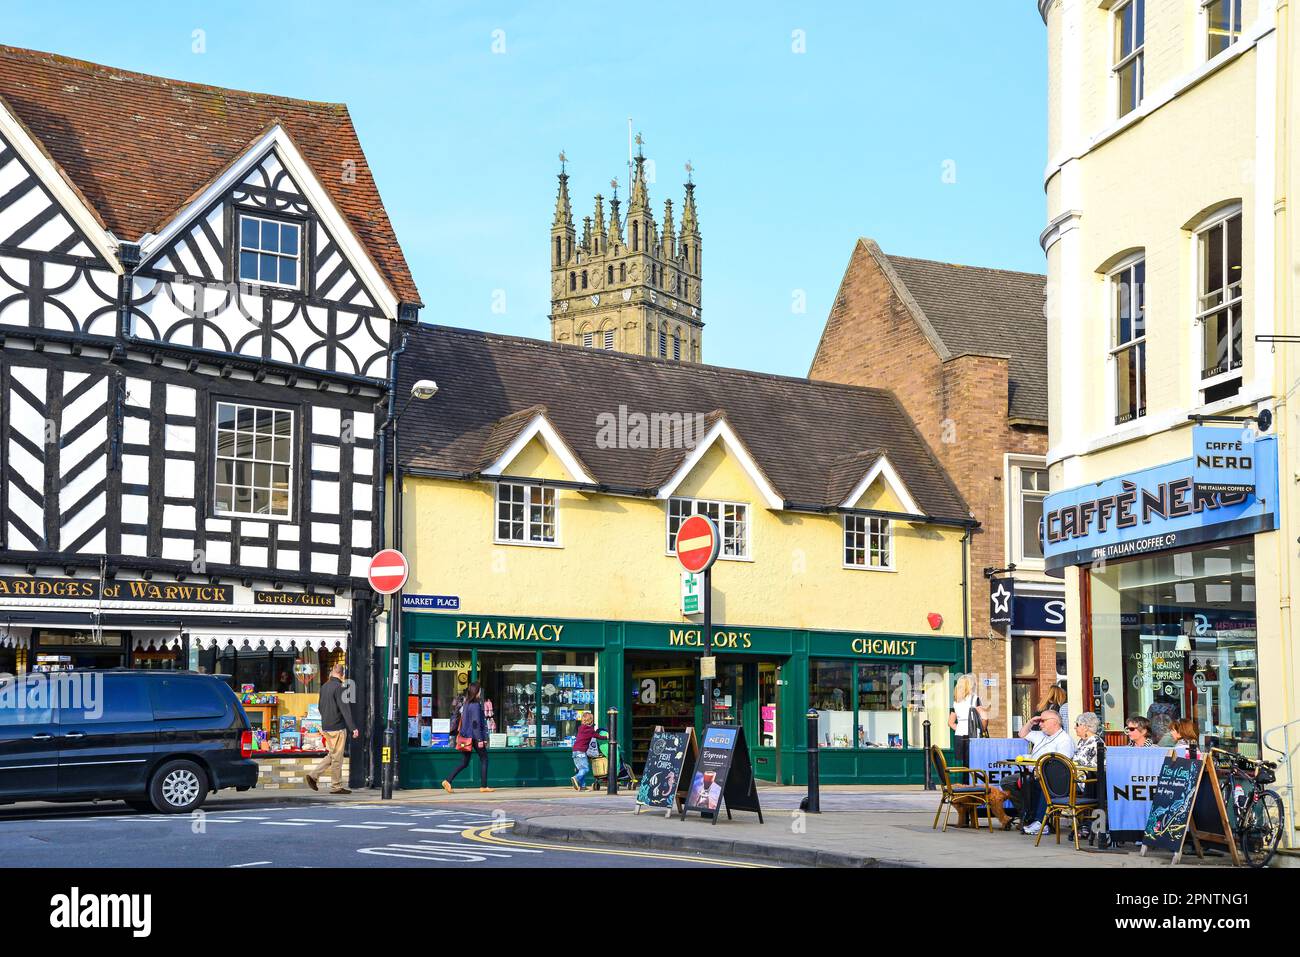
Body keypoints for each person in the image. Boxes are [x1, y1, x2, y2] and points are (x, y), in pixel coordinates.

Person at [1013, 708, 1076, 835]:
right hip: (1033, 773)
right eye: (1039, 721)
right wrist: (1031, 722)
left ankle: (1040, 821)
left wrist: (1040, 770)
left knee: (1039, 784)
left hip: (1052, 778)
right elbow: (1022, 733)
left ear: (1054, 722)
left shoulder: (1064, 740)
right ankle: (1028, 816)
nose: (1040, 724)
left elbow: (1061, 764)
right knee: (1008, 782)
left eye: (1043, 721)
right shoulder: (1041, 735)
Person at [305, 663, 358, 794]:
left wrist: (326, 720)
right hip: (337, 728)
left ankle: (313, 775)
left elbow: (320, 707)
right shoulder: (340, 688)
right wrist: (353, 728)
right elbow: (345, 709)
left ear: (331, 673)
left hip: (326, 726)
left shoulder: (324, 687)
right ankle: (336, 786)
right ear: (342, 674)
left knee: (333, 754)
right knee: (337, 758)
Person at [442, 683, 493, 793]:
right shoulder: (475, 705)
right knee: (484, 759)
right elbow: (475, 724)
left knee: (464, 762)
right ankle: (484, 786)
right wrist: (480, 739)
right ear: (476, 692)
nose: (480, 692)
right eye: (479, 690)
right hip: (474, 737)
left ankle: (448, 780)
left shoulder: (466, 704)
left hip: (466, 737)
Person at [947, 673, 989, 772]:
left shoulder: (955, 701)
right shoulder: (975, 699)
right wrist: (982, 729)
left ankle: (965, 785)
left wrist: (960, 728)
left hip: (959, 736)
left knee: (964, 766)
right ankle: (973, 785)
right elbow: (985, 719)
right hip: (973, 735)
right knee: (975, 765)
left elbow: (950, 722)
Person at [571, 712, 599, 790]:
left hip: (575, 751)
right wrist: (607, 737)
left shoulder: (580, 728)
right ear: (591, 721)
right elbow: (598, 736)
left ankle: (583, 786)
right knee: (585, 769)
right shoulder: (590, 730)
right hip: (581, 752)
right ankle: (576, 778)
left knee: (581, 769)